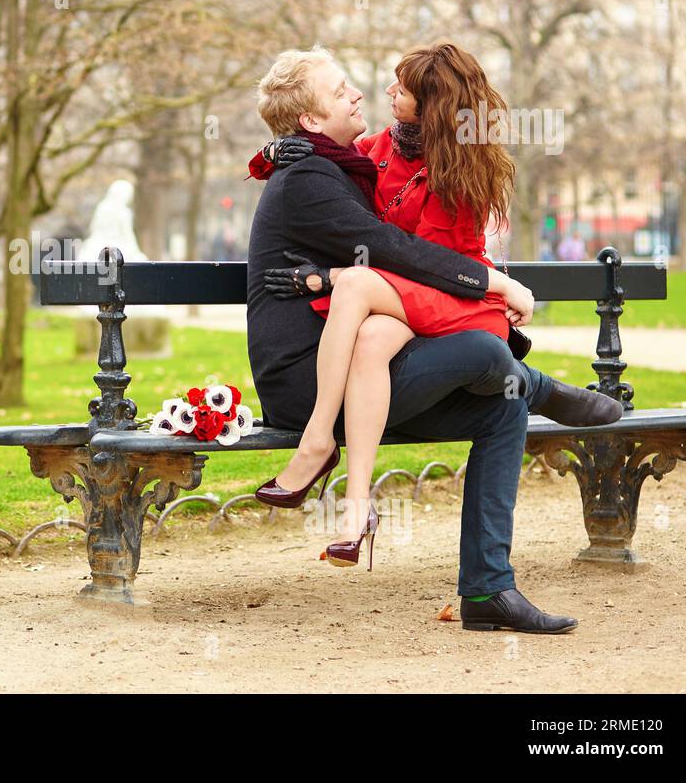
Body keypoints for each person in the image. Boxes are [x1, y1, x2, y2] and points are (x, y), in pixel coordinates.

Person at [244, 44, 622, 634]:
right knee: (485, 359)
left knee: (499, 404)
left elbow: (411, 253)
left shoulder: (428, 169)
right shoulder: (331, 168)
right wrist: (497, 282)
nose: (369, 93)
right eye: (343, 88)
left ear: (432, 107)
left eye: (398, 88)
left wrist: (334, 274)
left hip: (405, 332)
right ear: (314, 121)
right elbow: (388, 244)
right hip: (321, 380)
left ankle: (487, 593)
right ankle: (540, 388)